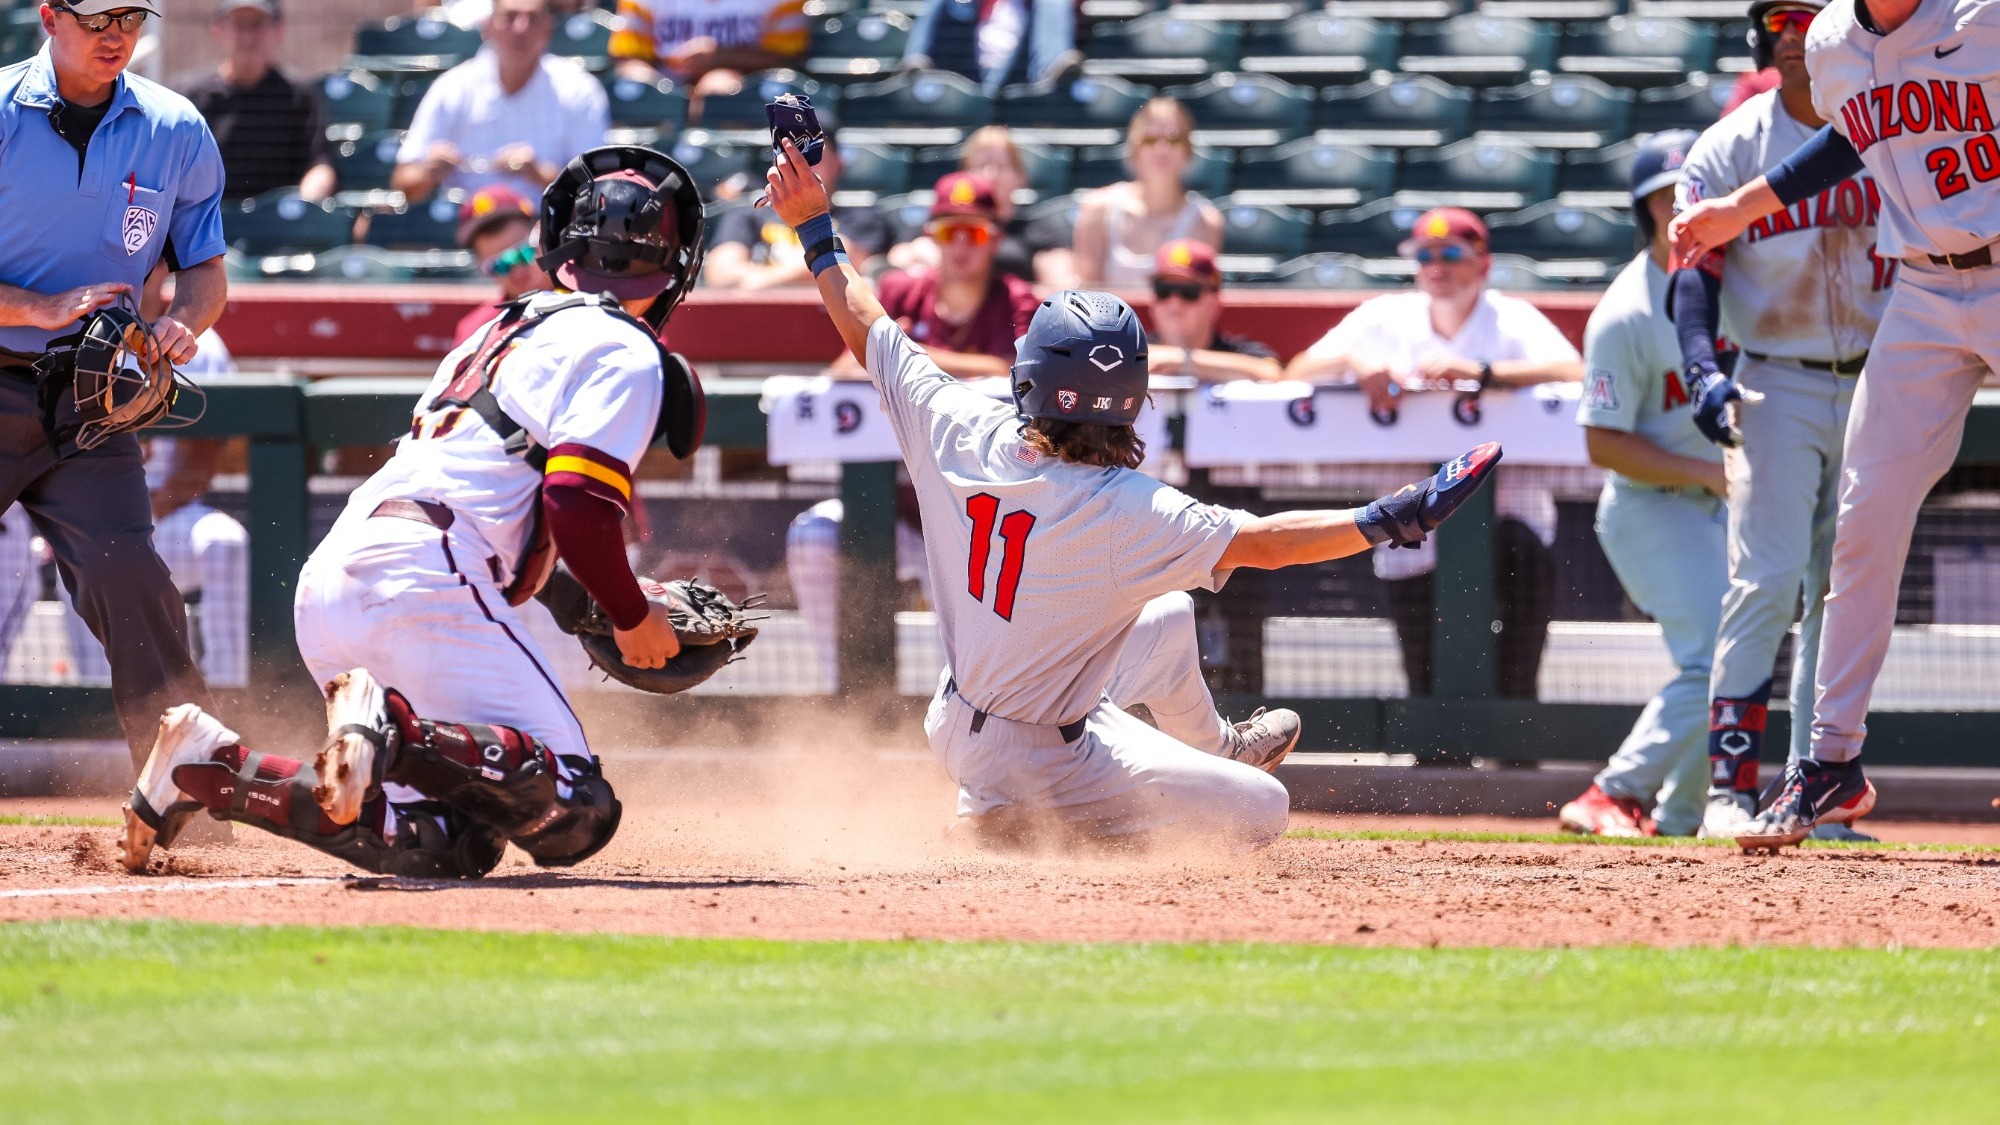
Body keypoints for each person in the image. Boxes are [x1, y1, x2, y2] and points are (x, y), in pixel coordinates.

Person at [762, 136, 1503, 849]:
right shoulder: (1126, 507)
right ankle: (1026, 821)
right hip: (1042, 755)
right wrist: (1391, 518)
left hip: (958, 715)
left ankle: (1215, 747)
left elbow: (867, 321)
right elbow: (1268, 544)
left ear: (1029, 380)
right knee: (1262, 808)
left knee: (1170, 614)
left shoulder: (959, 424)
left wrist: (815, 226)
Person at [120, 144, 709, 877]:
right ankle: (390, 732)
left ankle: (212, 768)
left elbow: (508, 506)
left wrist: (589, 603)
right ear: (674, 263)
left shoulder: (503, 327)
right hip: (426, 574)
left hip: (344, 572)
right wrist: (631, 614)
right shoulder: (624, 347)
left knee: (444, 841)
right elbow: (575, 502)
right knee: (576, 810)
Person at [1669, 0, 1987, 849]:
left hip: (1961, 297)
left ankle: (1818, 767)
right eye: (1774, 24)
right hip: (1882, 317)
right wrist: (1740, 213)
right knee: (1832, 547)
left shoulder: (1976, 22)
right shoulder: (1823, 52)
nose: (1789, 34)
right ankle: (1805, 769)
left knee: (1838, 554)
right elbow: (1852, 135)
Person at [1669, 0, 1890, 843]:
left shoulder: (1888, 119)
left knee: (1846, 587)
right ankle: (1729, 789)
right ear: (1761, 36)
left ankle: (1815, 788)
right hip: (1775, 379)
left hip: (1882, 377)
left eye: (1810, 15)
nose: (1794, 33)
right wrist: (1702, 368)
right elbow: (1694, 271)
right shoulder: (1730, 145)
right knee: (1764, 581)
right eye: (1780, 20)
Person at [0, 0, 228, 773]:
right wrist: (36, 307)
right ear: (50, 16)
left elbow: (204, 269)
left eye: (130, 18)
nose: (116, 35)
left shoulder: (175, 127)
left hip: (88, 398)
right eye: (98, 19)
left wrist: (185, 321)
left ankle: (191, 795)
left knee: (131, 578)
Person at [1283, 208, 1583, 699]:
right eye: (1425, 256)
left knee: (1515, 688)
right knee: (1426, 688)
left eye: (1451, 255)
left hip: (1512, 526)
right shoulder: (1385, 315)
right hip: (1410, 533)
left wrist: (1483, 372)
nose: (1436, 266)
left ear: (1483, 264)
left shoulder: (1510, 316)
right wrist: (1355, 360)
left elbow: (1575, 372)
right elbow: (1296, 370)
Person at [789, 172, 1039, 686]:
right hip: (899, 512)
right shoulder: (902, 291)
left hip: (977, 522)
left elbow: (1009, 373)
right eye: (950, 231)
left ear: (996, 238)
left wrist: (907, 355)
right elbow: (844, 367)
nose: (962, 246)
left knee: (978, 669)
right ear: (931, 237)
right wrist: (916, 357)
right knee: (813, 534)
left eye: (976, 232)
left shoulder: (1016, 300)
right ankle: (845, 691)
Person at [1557, 132, 1729, 839]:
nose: (1681, 207)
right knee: (1718, 657)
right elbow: (1602, 443)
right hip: (1652, 505)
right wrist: (1710, 472)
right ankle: (1614, 790)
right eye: (1666, 197)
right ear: (1645, 210)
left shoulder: (1740, 282)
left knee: (1729, 658)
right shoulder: (1626, 311)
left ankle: (1681, 815)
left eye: (1693, 192)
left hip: (1722, 504)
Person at [391, 0, 610, 202]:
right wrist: (429, 171)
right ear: (488, 26)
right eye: (510, 17)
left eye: (533, 18)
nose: (521, 28)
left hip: (545, 225)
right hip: (469, 223)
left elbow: (595, 188)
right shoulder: (452, 87)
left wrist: (539, 173)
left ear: (548, 28)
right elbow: (403, 182)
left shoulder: (579, 90)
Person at [182, 0, 336, 203]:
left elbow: (320, 165)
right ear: (218, 30)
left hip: (277, 218)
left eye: (257, 24)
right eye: (239, 24)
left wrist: (304, 204)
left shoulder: (298, 96)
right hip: (206, 218)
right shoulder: (188, 97)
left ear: (278, 31)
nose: (248, 36)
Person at [705, 125, 890, 288]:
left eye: (813, 155)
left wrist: (758, 281)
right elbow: (720, 273)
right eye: (792, 154)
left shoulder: (863, 218)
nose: (802, 165)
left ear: (838, 163)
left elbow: (843, 262)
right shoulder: (748, 215)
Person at [1068, 97, 1223, 289]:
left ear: (1188, 150)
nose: (1162, 149)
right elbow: (1086, 294)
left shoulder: (1205, 221)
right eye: (1150, 139)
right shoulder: (1098, 209)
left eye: (1174, 139)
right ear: (1135, 149)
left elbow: (1200, 297)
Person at [887, 126, 1067, 283]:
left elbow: (1059, 280)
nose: (990, 175)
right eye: (980, 166)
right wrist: (920, 251)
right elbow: (895, 259)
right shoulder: (939, 222)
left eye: (1001, 166)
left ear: (1020, 176)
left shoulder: (1038, 230)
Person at [1143, 239, 1280, 383]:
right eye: (1163, 290)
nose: (1174, 303)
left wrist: (1182, 360)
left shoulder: (1238, 350)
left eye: (1189, 292)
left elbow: (1271, 373)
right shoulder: (1133, 347)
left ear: (1214, 303)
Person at [608, 0, 809, 93]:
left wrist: (721, 58)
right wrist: (661, 90)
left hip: (741, 88)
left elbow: (786, 59)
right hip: (663, 80)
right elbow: (627, 58)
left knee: (718, 86)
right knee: (635, 85)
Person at [451, 184, 553, 346]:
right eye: (499, 266)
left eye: (523, 254)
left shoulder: (587, 295)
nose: (516, 271)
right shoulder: (477, 330)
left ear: (541, 235)